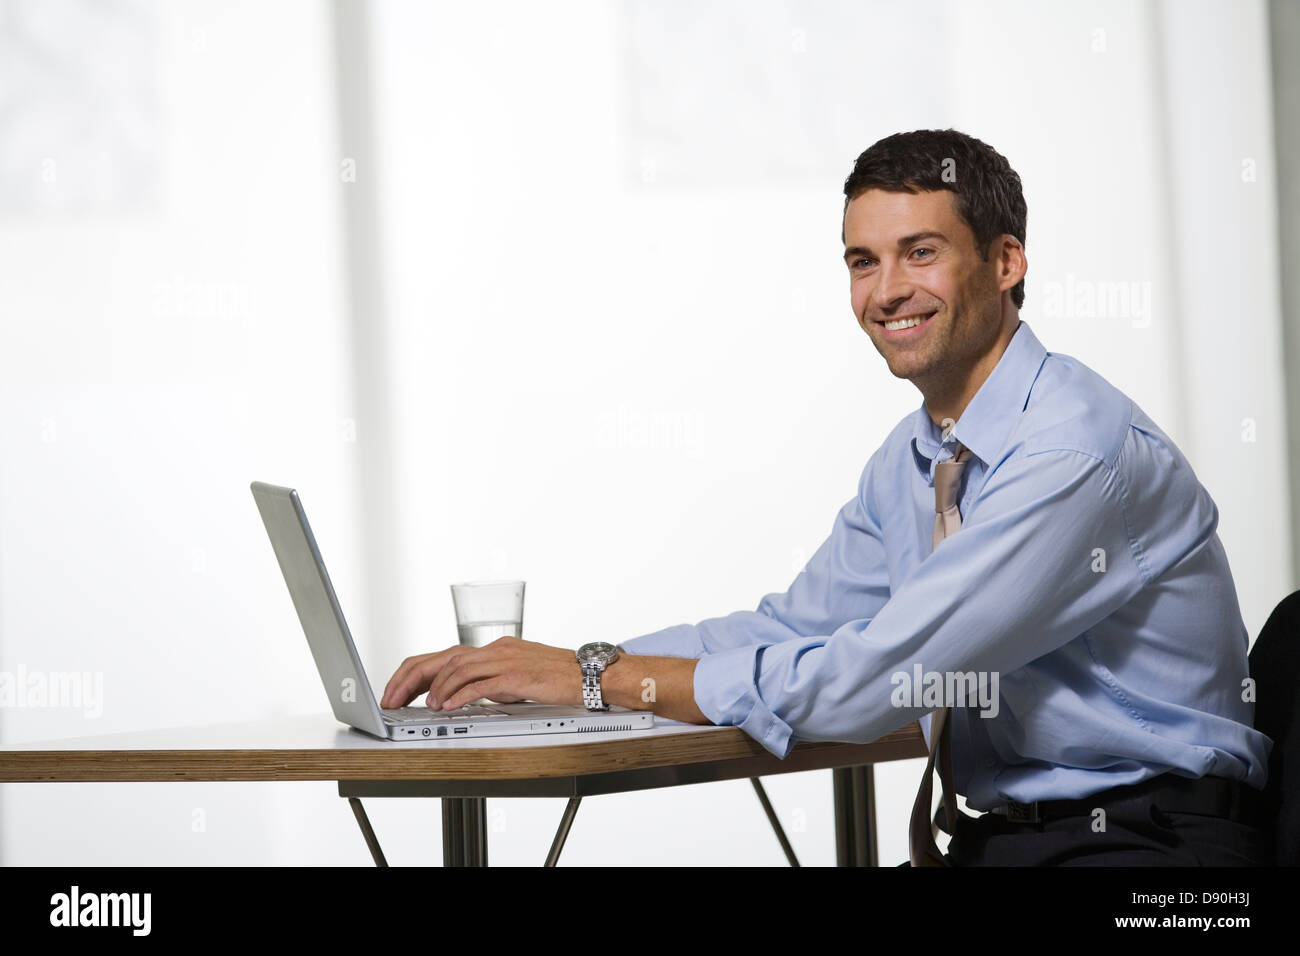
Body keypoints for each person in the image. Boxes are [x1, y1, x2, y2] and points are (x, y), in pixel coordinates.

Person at [380, 128, 1272, 866]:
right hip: (1010, 845)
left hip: (1157, 855)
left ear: (1005, 262)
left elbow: (886, 677)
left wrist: (603, 680)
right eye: (863, 261)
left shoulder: (1073, 451)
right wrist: (568, 670)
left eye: (920, 253)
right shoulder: (916, 457)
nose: (886, 292)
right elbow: (796, 626)